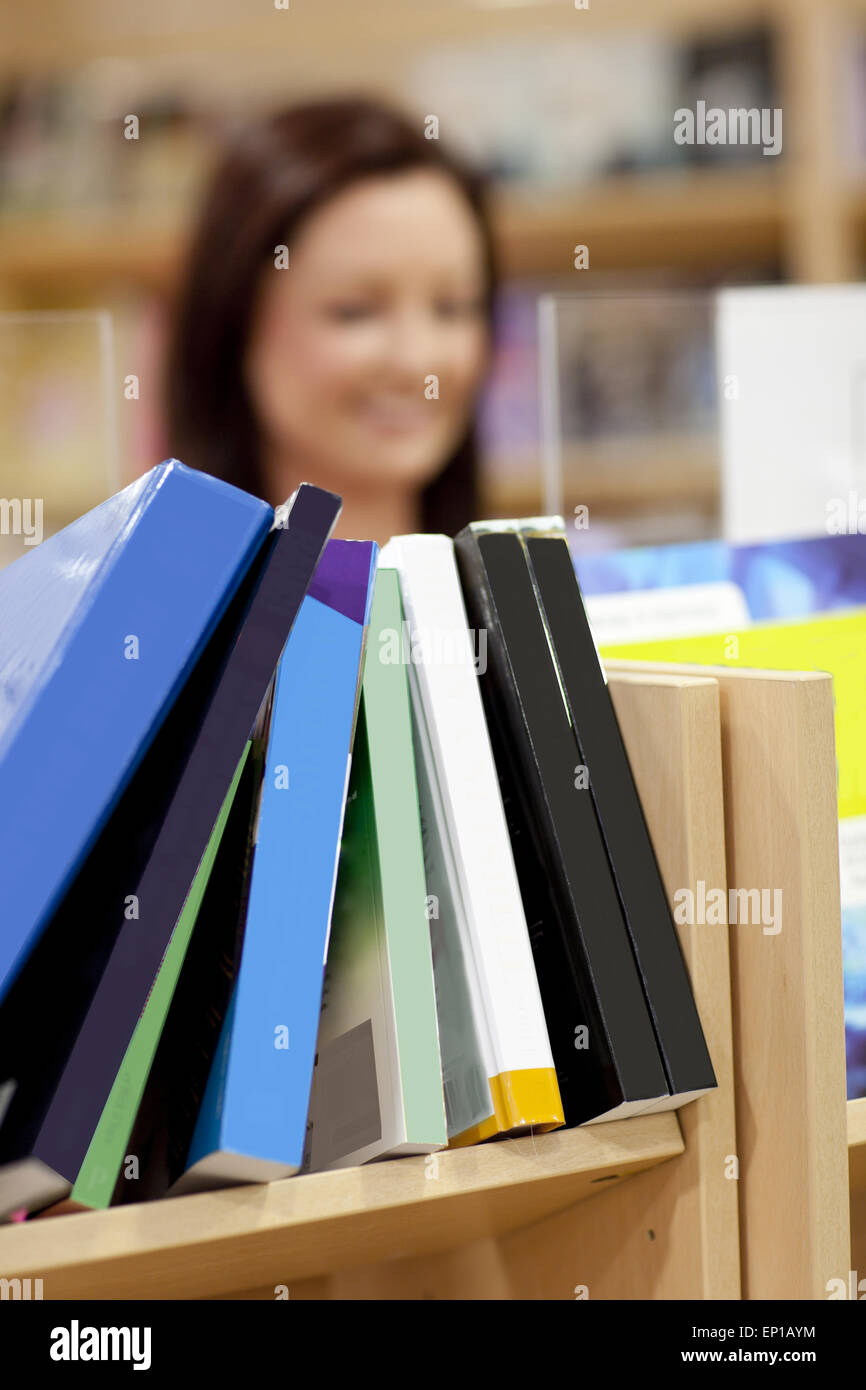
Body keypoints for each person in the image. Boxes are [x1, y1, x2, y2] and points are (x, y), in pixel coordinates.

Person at [164, 97, 497, 542]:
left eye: (452, 306)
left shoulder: (561, 594)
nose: (416, 360)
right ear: (234, 322)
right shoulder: (163, 605)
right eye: (355, 311)